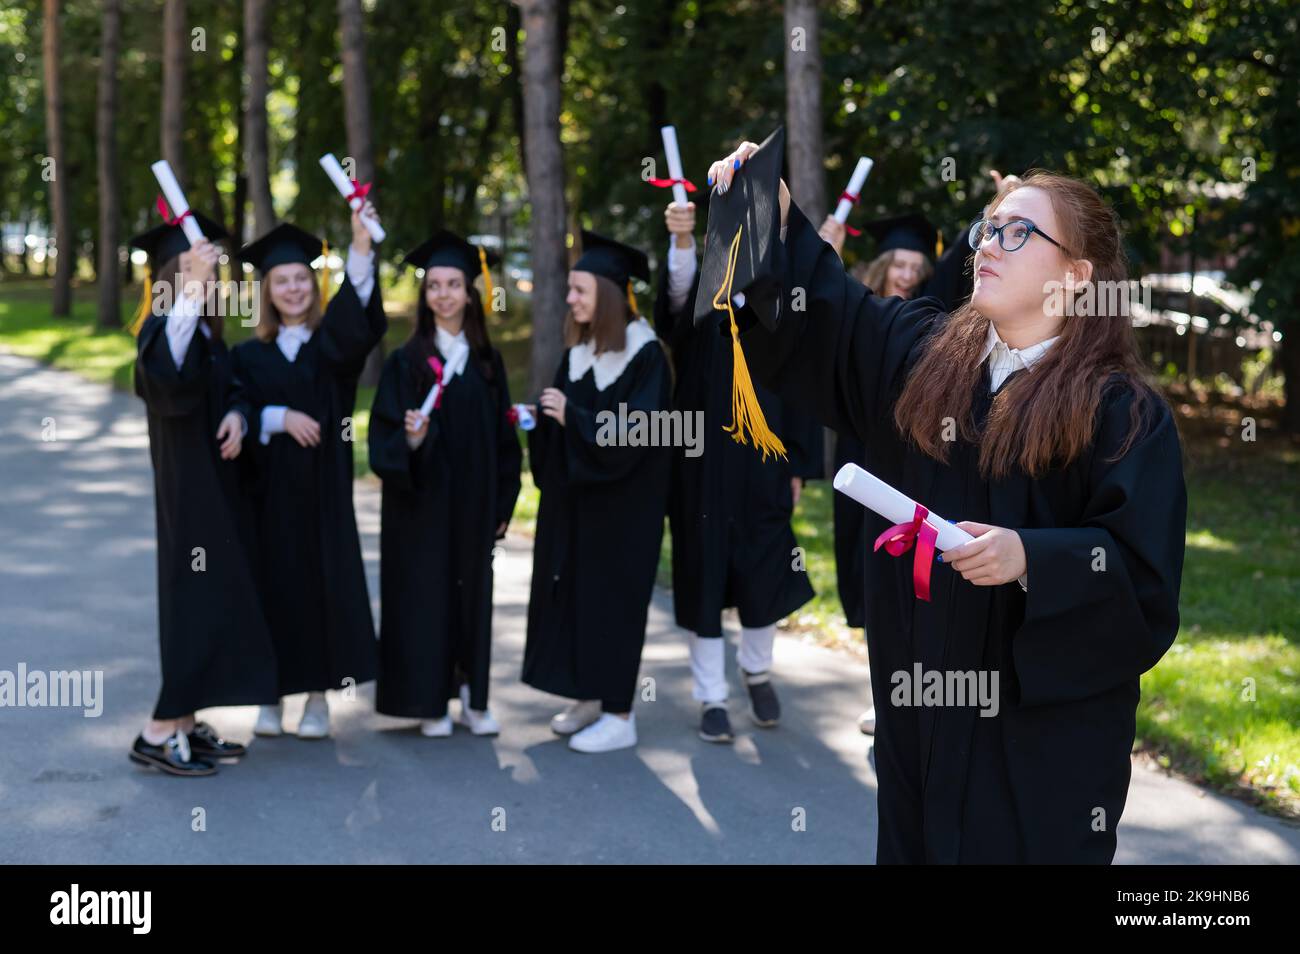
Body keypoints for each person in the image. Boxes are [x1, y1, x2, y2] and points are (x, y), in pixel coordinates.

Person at [704, 140, 1186, 863]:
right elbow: (831, 315)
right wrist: (769, 213)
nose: (989, 244)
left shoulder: (1122, 416)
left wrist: (1031, 557)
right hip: (922, 724)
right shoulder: (923, 357)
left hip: (1037, 749)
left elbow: (1143, 585)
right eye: (988, 228)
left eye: (1018, 232)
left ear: (1077, 276)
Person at [653, 199, 823, 743]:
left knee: (763, 565)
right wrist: (681, 244)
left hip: (763, 459)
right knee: (703, 571)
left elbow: (802, 386)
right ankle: (710, 695)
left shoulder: (780, 305)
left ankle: (757, 670)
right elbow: (675, 304)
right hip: (701, 462)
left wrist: (798, 461)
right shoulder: (704, 302)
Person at [128, 211, 279, 776]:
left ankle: (186, 722)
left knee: (217, 602)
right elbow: (169, 376)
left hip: (220, 495)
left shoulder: (212, 336)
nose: (210, 277)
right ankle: (158, 730)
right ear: (173, 273)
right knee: (192, 605)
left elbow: (234, 387)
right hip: (188, 496)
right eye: (195, 267)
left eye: (212, 267)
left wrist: (240, 416)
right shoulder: (162, 330)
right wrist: (189, 291)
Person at [231, 206, 387, 740]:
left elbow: (356, 324)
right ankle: (269, 696)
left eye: (302, 278)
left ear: (314, 285)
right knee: (272, 589)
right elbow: (230, 410)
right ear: (267, 291)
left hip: (321, 493)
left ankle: (317, 699)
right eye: (282, 281)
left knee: (319, 589)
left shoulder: (330, 350)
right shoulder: (247, 356)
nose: (294, 289)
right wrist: (276, 418)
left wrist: (361, 249)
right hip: (268, 495)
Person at [522, 231, 672, 754]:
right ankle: (588, 695)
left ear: (607, 294)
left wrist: (574, 416)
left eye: (580, 291)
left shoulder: (645, 355)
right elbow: (560, 422)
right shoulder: (581, 351)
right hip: (576, 502)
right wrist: (541, 420)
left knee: (612, 604)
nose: (571, 299)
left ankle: (619, 712)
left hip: (623, 513)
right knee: (574, 596)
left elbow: (640, 434)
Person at [369, 230, 522, 737]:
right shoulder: (406, 363)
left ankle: (473, 700)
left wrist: (504, 499)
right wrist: (411, 441)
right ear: (424, 294)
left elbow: (505, 439)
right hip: (421, 509)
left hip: (475, 506)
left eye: (453, 284)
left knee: (473, 598)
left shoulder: (487, 362)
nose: (443, 294)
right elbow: (382, 441)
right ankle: (429, 700)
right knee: (427, 599)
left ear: (470, 292)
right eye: (434, 285)